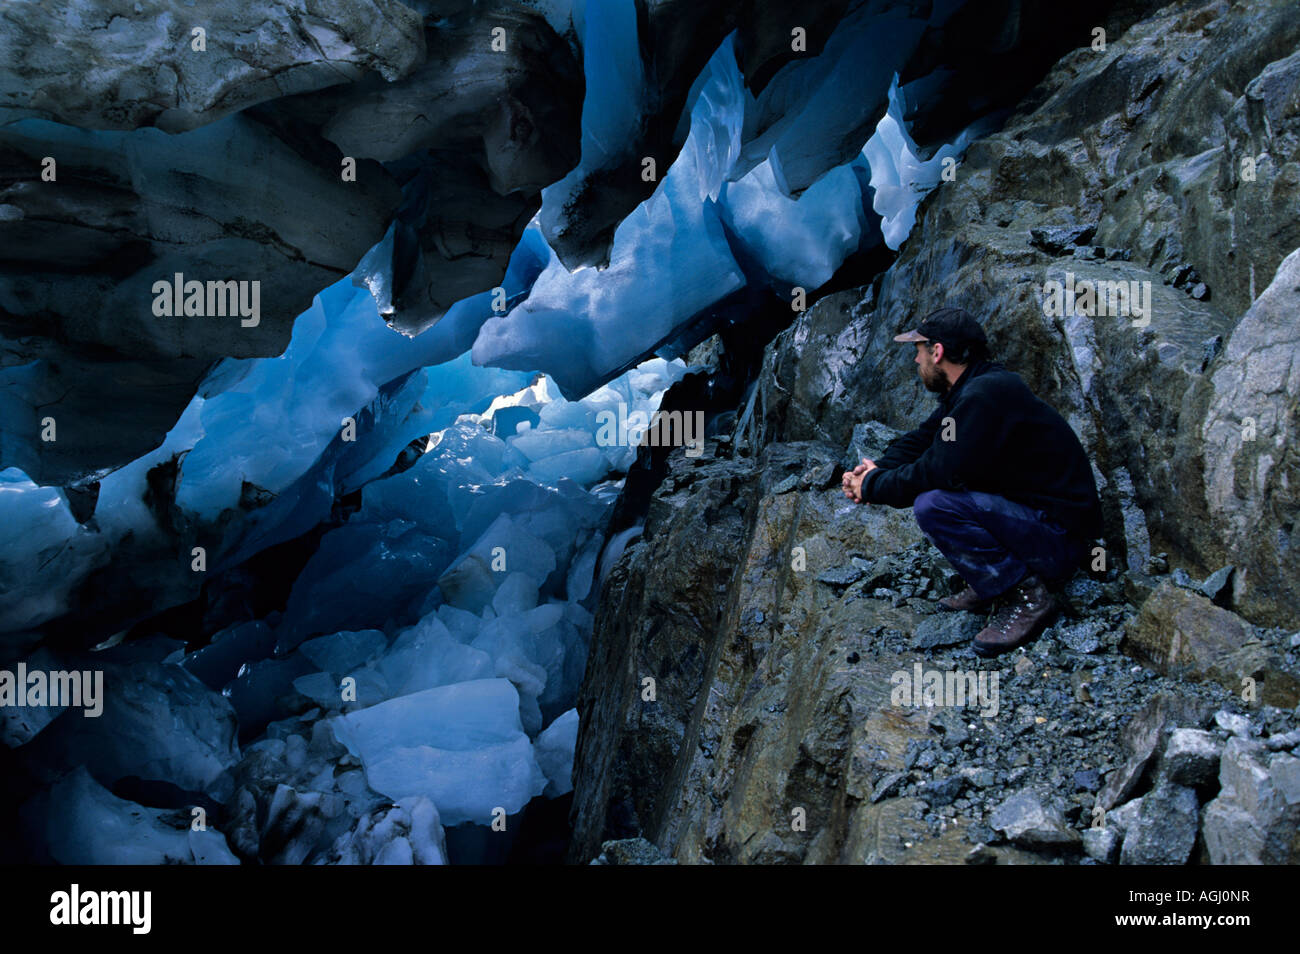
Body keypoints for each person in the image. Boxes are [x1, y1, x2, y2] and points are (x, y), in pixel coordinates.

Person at [841, 306, 1103, 656]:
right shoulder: (974, 388)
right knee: (945, 493)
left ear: (938, 352)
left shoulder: (983, 397)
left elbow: (936, 471)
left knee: (934, 504)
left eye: (918, 352)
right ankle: (993, 580)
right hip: (1038, 523)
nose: (915, 362)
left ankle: (1028, 597)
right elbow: (923, 439)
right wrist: (874, 470)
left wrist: (872, 487)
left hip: (1060, 540)